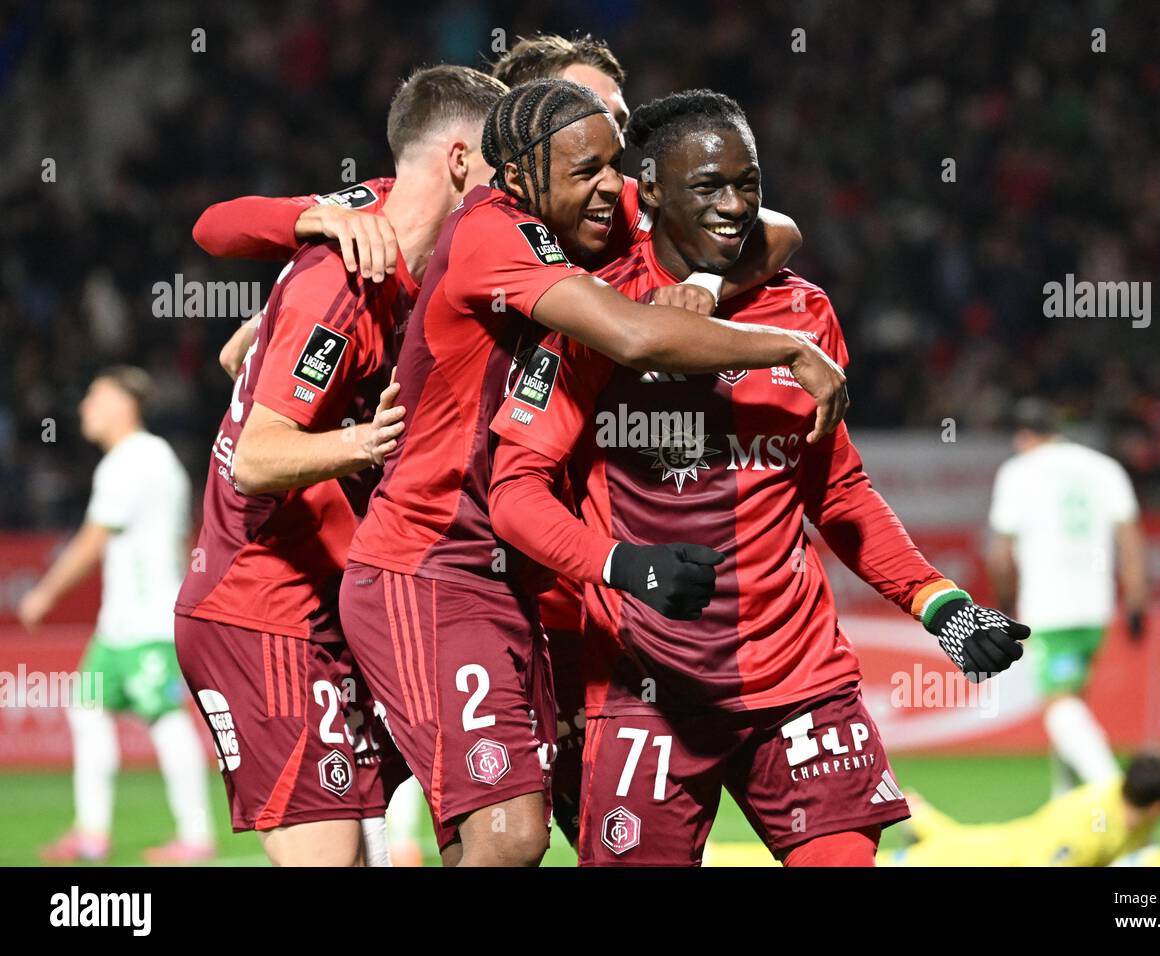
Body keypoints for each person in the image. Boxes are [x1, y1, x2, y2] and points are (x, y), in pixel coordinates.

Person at [486, 90, 1030, 866]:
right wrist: (622, 568)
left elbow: (838, 493)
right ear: (653, 190)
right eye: (709, 187)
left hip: (800, 679)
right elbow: (514, 495)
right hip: (646, 688)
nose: (735, 205)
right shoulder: (596, 316)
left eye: (750, 183)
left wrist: (938, 604)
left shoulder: (805, 314)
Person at [338, 77, 849, 868]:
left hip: (524, 577)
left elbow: (770, 229)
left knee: (590, 835)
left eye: (617, 167)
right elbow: (634, 338)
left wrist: (704, 286)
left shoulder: (586, 219)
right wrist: (786, 346)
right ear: (520, 174)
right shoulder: (492, 233)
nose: (613, 189)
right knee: (505, 841)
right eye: (588, 173)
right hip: (434, 565)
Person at [173, 65, 507, 867]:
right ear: (460, 161)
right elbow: (256, 458)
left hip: (325, 606)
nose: (513, 198)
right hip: (260, 610)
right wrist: (368, 440)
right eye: (501, 173)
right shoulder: (348, 270)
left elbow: (234, 353)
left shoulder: (409, 257)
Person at [19, 367, 215, 864]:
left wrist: (44, 593)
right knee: (85, 709)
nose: (84, 407)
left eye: (94, 396)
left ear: (124, 404)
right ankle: (91, 835)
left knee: (166, 717)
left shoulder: (133, 460)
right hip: (118, 627)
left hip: (148, 626)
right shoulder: (155, 458)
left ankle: (195, 837)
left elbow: (93, 538)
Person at [987, 398, 1149, 795]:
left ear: (1023, 436)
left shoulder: (1018, 472)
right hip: (1096, 606)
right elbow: (1130, 540)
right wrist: (1137, 599)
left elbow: (1000, 553)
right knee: (1073, 702)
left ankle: (1116, 798)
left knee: (1059, 707)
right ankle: (1070, 806)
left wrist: (1005, 602)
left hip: (1048, 607)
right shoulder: (1104, 468)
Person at [887, 748, 1160, 866]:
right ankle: (912, 813)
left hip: (988, 845)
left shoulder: (1127, 812)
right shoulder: (1083, 826)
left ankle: (916, 814)